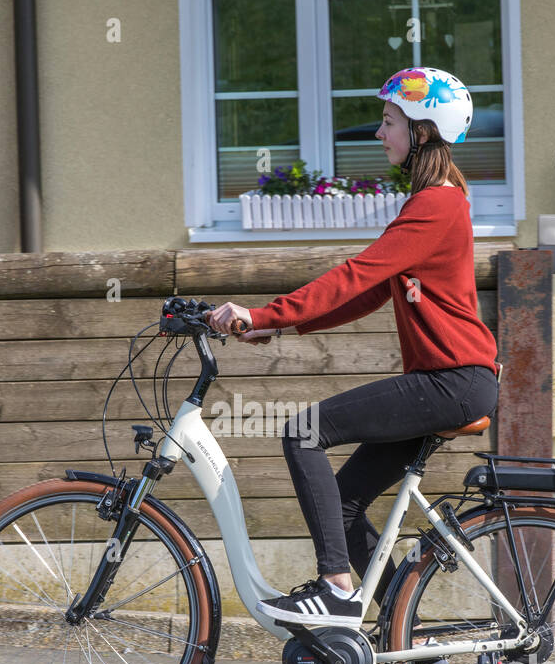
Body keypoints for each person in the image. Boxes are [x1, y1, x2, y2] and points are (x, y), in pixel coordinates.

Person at [207, 66, 500, 630]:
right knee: (342, 502)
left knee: (302, 432)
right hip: (453, 381)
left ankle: (337, 589)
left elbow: (355, 275)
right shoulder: (436, 203)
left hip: (451, 381)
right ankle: (396, 629)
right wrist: (278, 325)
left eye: (388, 121)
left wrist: (267, 312)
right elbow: (368, 295)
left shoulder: (435, 205)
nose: (378, 133)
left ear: (423, 130)